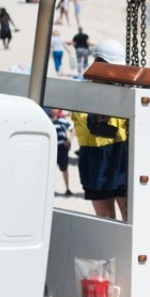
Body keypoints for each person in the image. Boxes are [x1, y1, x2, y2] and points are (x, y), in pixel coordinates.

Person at [72, 39, 129, 221]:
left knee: (130, 215)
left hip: (121, 156)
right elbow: (94, 125)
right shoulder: (81, 91)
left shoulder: (122, 90)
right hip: (96, 159)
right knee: (106, 218)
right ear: (98, 64)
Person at [49, 108, 74, 196]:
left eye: (54, 108)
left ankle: (67, 188)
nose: (52, 110)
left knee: (64, 168)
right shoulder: (48, 120)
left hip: (62, 148)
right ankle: (49, 188)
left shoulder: (63, 120)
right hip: (52, 148)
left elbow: (72, 130)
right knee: (50, 169)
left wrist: (69, 140)